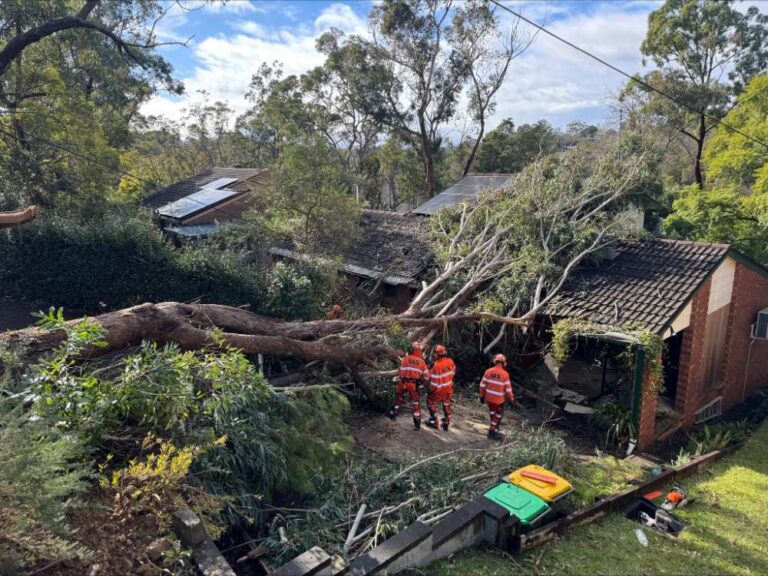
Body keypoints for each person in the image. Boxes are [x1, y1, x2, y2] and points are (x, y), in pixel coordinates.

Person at [389, 341, 430, 429]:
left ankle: (394, 413)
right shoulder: (422, 362)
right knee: (415, 401)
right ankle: (417, 421)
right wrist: (421, 383)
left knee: (399, 398)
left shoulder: (405, 359)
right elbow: (427, 376)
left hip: (402, 382)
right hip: (413, 384)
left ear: (411, 350)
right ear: (419, 351)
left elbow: (400, 372)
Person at [479, 354, 515, 440]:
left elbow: (482, 385)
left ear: (495, 362)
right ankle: (491, 432)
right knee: (498, 415)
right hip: (498, 400)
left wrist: (482, 396)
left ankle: (494, 427)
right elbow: (508, 390)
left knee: (492, 412)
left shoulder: (488, 371)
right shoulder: (505, 374)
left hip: (489, 398)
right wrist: (511, 399)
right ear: (504, 363)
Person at [426, 345, 456, 431]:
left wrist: (429, 391)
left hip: (439, 390)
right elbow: (453, 372)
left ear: (436, 354)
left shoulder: (437, 366)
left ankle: (434, 421)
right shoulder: (450, 361)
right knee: (446, 403)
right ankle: (447, 422)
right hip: (449, 388)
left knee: (430, 401)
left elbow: (434, 383)